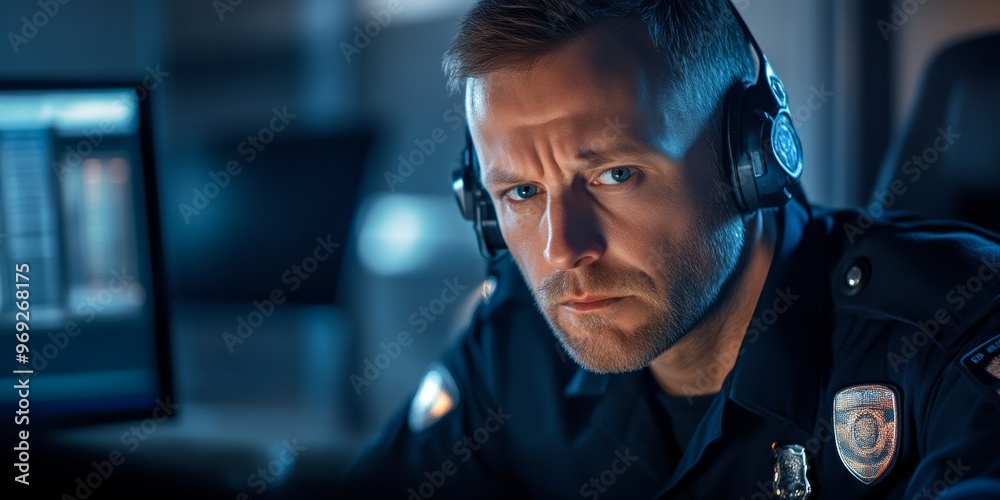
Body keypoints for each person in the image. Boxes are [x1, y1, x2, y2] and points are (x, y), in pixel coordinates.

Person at [343, 0, 1000, 498]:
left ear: (751, 158)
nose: (564, 249)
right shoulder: (513, 342)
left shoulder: (952, 332)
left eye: (614, 175)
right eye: (520, 193)